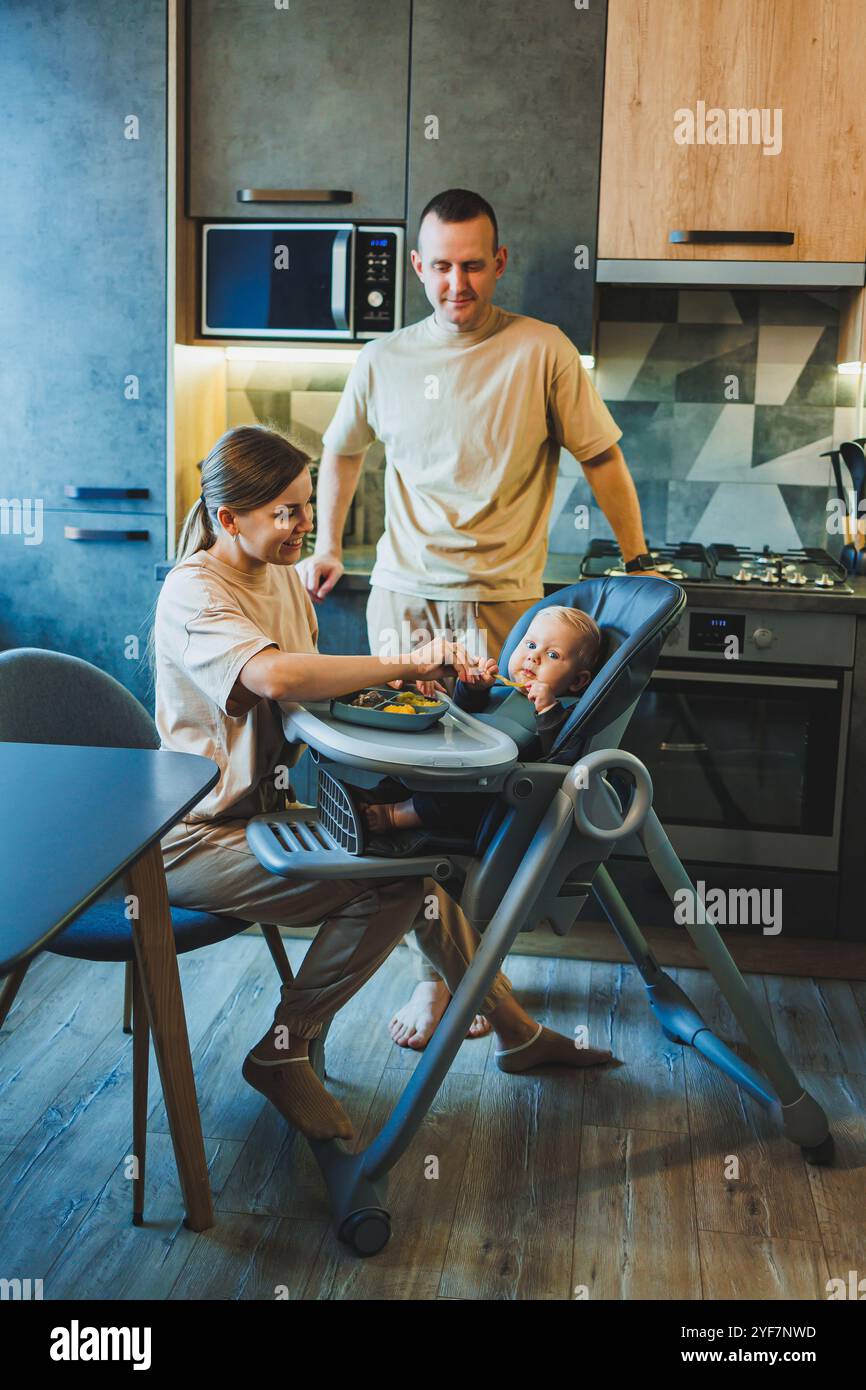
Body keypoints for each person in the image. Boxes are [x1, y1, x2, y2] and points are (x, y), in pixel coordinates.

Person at [153, 425, 617, 1144]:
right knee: (397, 887)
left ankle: (517, 1034)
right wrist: (402, 659)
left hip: (260, 812)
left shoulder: (278, 576)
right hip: (191, 836)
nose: (305, 525)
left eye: (307, 508)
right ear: (228, 519)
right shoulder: (193, 591)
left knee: (420, 879)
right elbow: (273, 676)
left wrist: (418, 683)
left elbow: (307, 688)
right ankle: (285, 1050)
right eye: (286, 511)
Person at [298, 186, 664, 1049]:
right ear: (417, 268)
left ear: (499, 263)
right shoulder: (382, 359)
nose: (456, 283)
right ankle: (449, 974)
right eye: (441, 266)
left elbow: (602, 457)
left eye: (473, 265)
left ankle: (454, 977)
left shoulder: (543, 351)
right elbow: (340, 451)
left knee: (487, 798)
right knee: (408, 786)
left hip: (509, 606)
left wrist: (639, 557)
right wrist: (324, 545)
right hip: (403, 597)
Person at [362, 606, 601, 840]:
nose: (533, 657)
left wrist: (548, 710)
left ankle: (394, 816)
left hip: (485, 790)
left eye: (552, 655)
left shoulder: (564, 710)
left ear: (578, 681)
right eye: (530, 645)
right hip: (452, 761)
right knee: (403, 771)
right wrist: (472, 689)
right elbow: (463, 716)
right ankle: (372, 799)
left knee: (452, 798)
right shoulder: (499, 687)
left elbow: (562, 759)